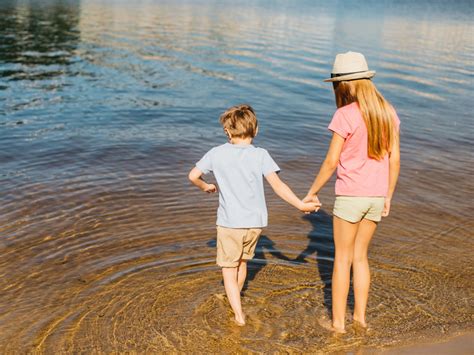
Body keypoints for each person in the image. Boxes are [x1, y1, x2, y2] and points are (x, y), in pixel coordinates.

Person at [189, 104, 320, 326]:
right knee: (241, 263)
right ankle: (236, 298)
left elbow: (193, 175)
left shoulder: (216, 153)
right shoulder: (261, 155)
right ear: (256, 130)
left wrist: (205, 187)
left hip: (230, 224)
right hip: (255, 224)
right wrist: (300, 205)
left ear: (227, 132)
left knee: (228, 271)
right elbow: (278, 186)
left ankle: (238, 315)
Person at [303, 52, 401, 333]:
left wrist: (312, 191)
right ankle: (360, 318)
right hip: (375, 197)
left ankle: (338, 325)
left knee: (342, 259)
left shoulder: (344, 114)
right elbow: (394, 160)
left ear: (344, 84)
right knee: (361, 257)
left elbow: (331, 161)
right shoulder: (387, 111)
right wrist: (388, 196)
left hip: (350, 197)